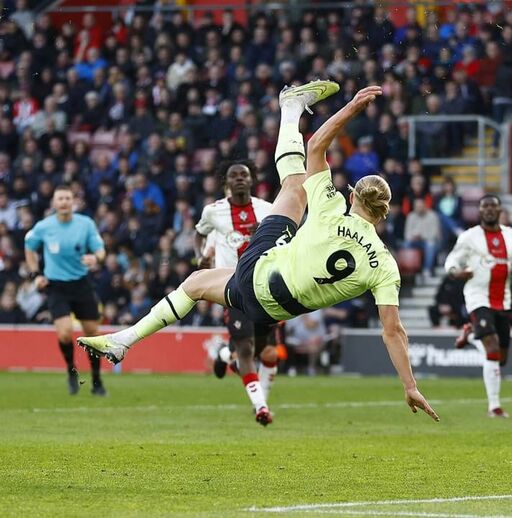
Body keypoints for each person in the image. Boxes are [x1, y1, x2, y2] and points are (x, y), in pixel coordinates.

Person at [78, 81, 440, 425]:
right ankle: (122, 342)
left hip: (258, 273)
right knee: (200, 282)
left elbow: (316, 147)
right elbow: (393, 331)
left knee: (295, 186)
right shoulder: (385, 266)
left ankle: (291, 105)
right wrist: (410, 386)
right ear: (386, 211)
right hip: (272, 309)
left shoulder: (331, 208)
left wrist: (352, 107)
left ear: (352, 198)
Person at [194, 160, 281, 414]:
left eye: (244, 174)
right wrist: (201, 256)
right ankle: (260, 407)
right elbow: (199, 233)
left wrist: (265, 233)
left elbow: (283, 240)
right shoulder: (213, 211)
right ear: (227, 183)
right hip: (232, 288)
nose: (240, 178)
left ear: (252, 180)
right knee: (246, 349)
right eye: (234, 176)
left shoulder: (267, 210)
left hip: (262, 286)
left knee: (268, 354)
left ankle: (224, 355)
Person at [446, 195, 512, 418]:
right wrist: (456, 272)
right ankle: (495, 407)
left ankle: (471, 334)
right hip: (477, 296)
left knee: (501, 359)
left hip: (503, 300)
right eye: (485, 206)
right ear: (479, 211)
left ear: (500, 209)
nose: (489, 209)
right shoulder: (469, 237)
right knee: (491, 348)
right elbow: (451, 261)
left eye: (493, 205)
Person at [25, 185, 107, 396]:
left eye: (67, 198)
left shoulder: (85, 224)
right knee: (64, 333)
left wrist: (95, 258)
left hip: (81, 284)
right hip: (56, 286)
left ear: (74, 202)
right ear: (54, 203)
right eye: (60, 198)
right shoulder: (44, 227)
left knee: (92, 334)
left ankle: (97, 380)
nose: (64, 202)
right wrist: (36, 275)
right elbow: (29, 246)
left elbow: (100, 249)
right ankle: (72, 372)